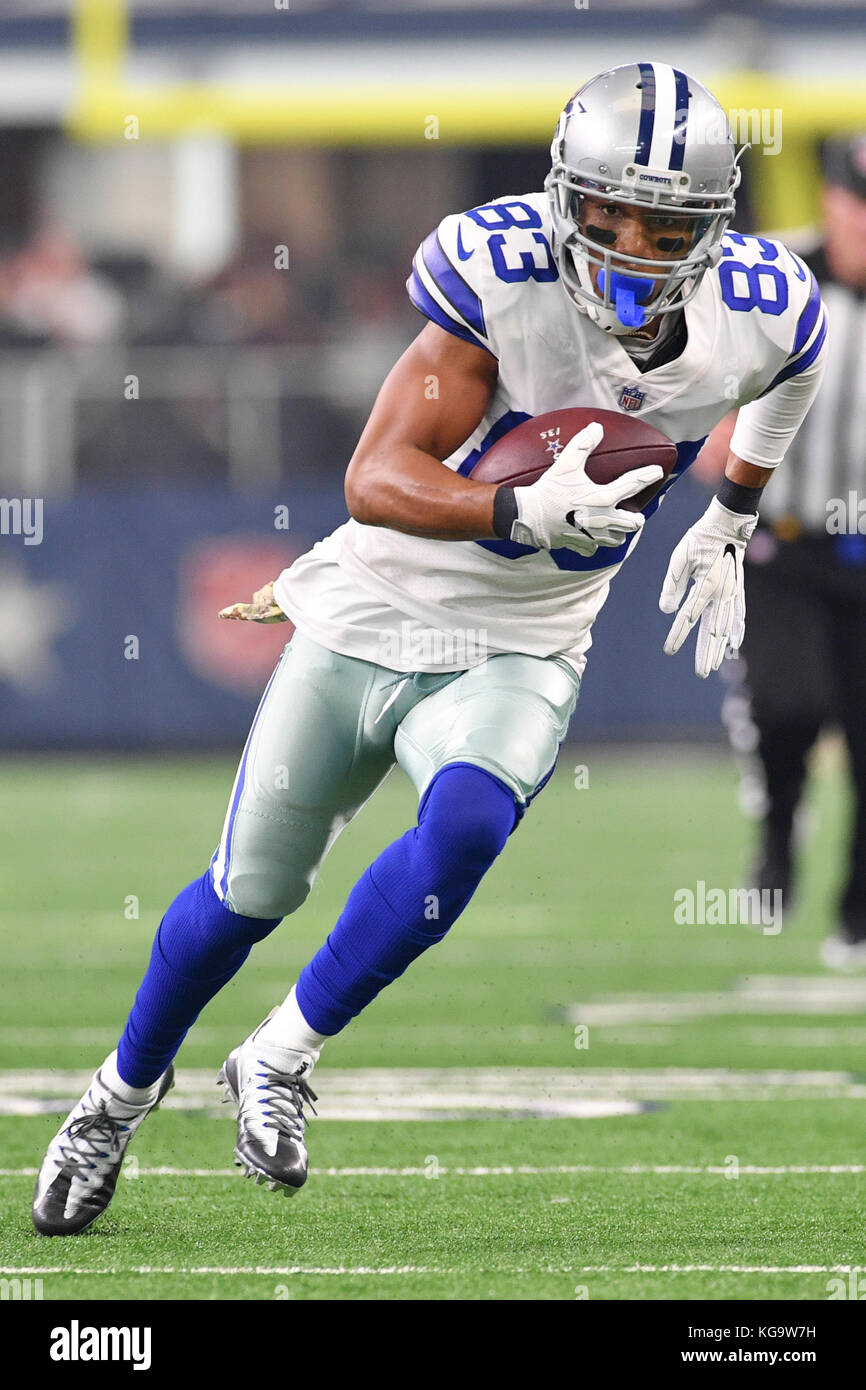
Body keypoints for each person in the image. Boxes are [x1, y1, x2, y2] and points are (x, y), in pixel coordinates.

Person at [33, 61, 827, 1236]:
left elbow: (792, 372)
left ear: (707, 230)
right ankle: (116, 1094)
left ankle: (281, 1054)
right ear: (561, 200)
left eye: (655, 225)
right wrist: (511, 511)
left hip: (522, 638)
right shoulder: (500, 278)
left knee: (464, 822)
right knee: (245, 893)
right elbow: (373, 476)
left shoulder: (761, 304)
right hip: (373, 609)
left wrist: (729, 512)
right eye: (600, 215)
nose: (622, 246)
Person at [697, 134, 866, 970]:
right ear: (832, 203)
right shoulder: (779, 283)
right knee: (787, 705)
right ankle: (777, 832)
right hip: (788, 542)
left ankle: (859, 906)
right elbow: (710, 394)